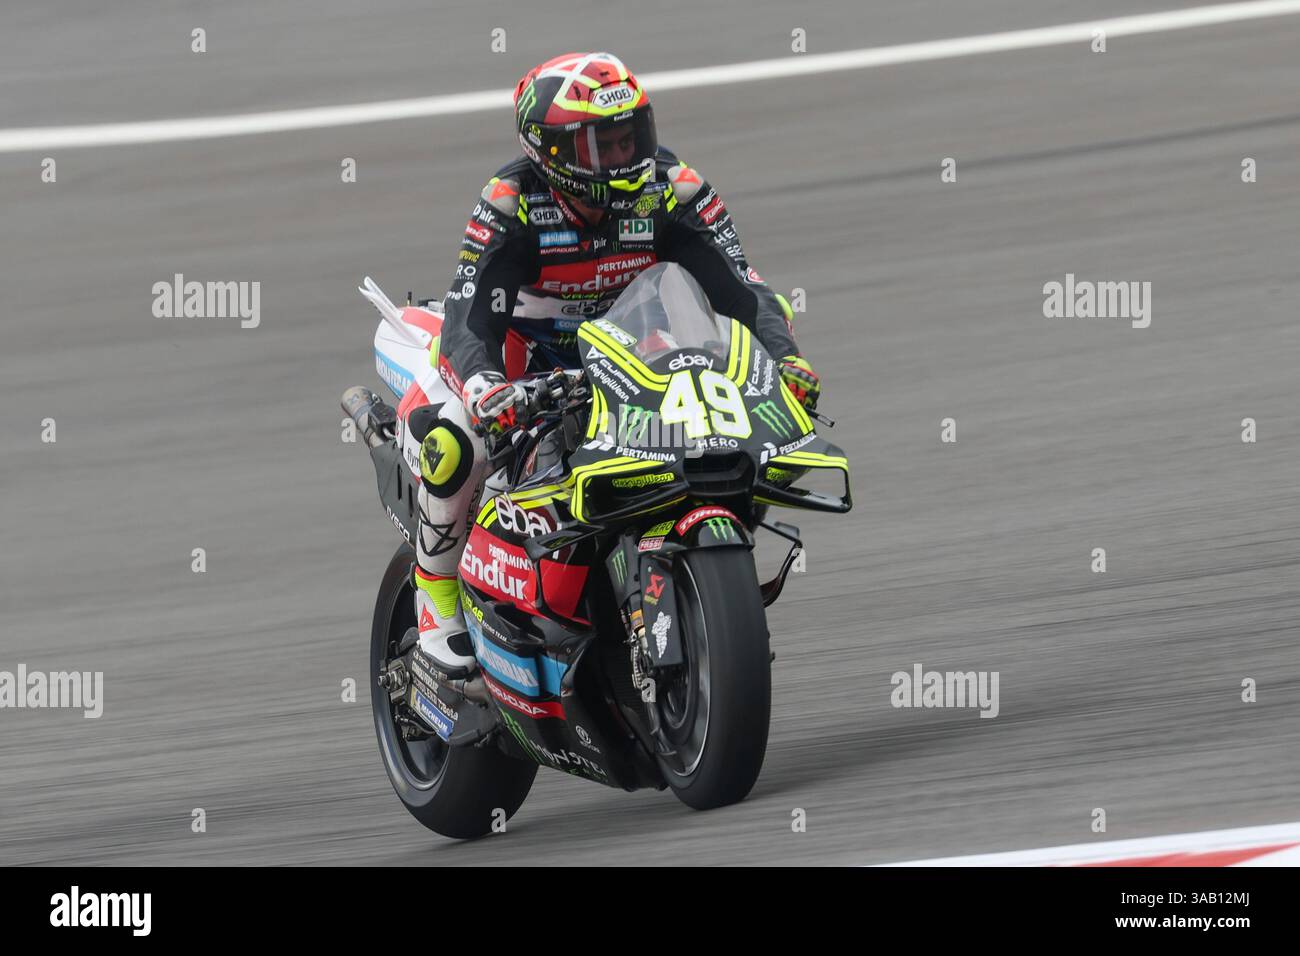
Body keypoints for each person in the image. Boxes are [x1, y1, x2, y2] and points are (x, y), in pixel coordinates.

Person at [407, 51, 822, 678]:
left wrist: (786, 361)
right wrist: (489, 387)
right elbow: (471, 317)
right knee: (456, 440)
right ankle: (435, 599)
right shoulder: (510, 202)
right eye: (602, 144)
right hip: (527, 374)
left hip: (633, 360)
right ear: (550, 152)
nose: (625, 156)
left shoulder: (673, 188)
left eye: (631, 135)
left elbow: (747, 292)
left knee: (737, 429)